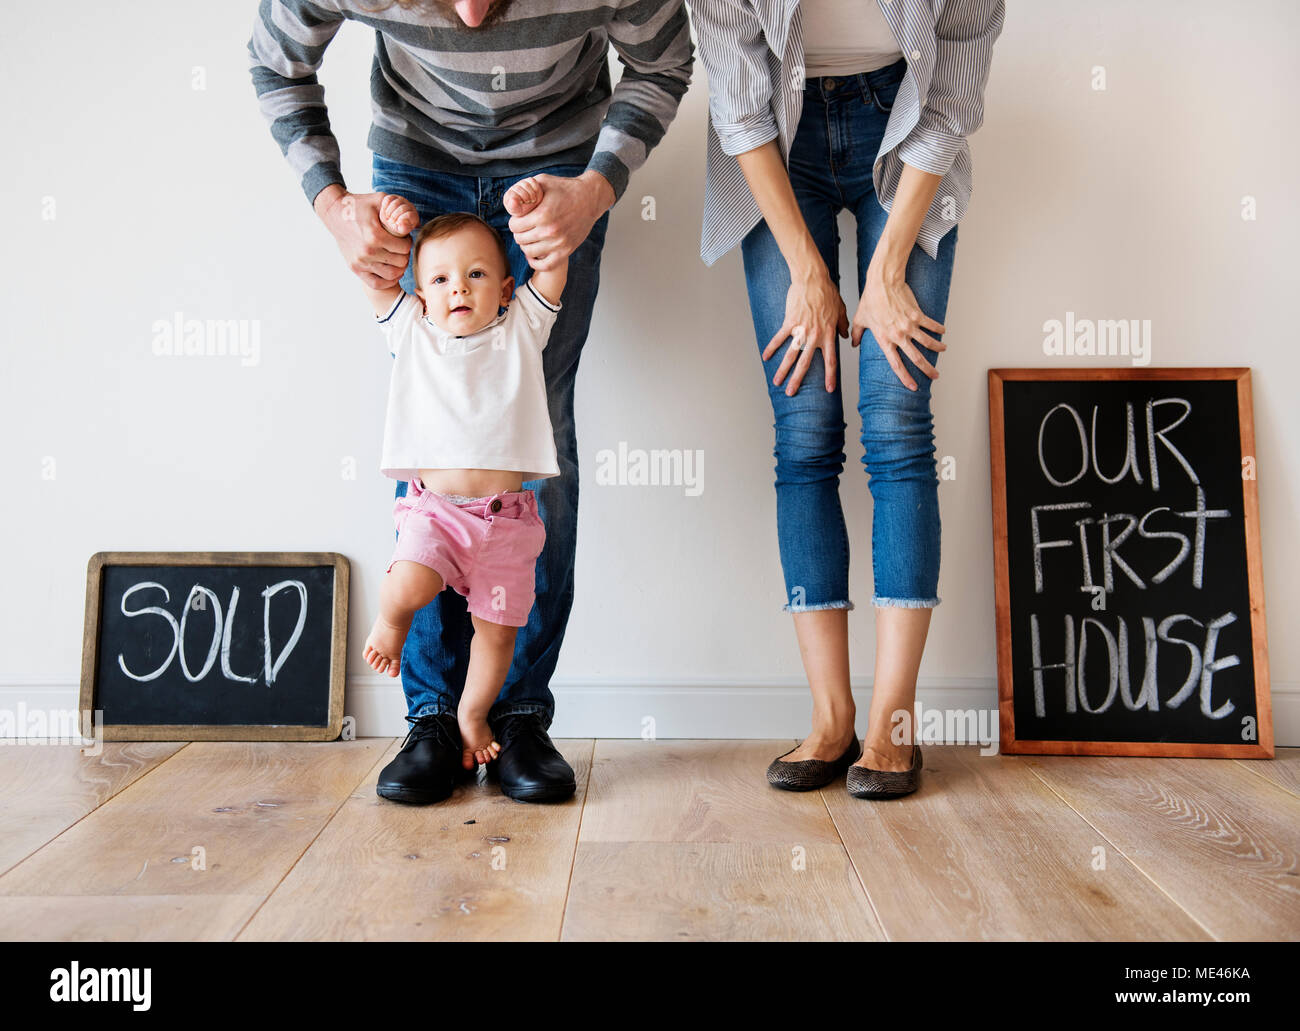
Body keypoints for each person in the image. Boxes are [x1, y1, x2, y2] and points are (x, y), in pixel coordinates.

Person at [248, 0, 694, 803]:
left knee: (542, 428)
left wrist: (595, 189)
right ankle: (431, 720)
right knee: (431, 432)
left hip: (558, 165)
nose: (473, 15)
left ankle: (515, 713)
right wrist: (333, 203)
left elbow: (664, 62)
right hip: (416, 165)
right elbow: (277, 62)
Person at [688, 0, 1004, 797]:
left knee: (898, 420)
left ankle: (894, 725)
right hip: (775, 149)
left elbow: (954, 98)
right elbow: (738, 105)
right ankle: (832, 718)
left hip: (903, 127)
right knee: (803, 427)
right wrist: (806, 270)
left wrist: (888, 267)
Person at [360, 182, 566, 778]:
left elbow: (551, 268)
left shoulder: (521, 329)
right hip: (435, 513)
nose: (459, 288)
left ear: (504, 291)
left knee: (496, 636)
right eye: (443, 279)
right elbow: (376, 279)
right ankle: (393, 626)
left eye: (477, 275)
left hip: (506, 526)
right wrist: (396, 229)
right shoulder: (413, 333)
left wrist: (533, 216)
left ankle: (474, 717)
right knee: (407, 583)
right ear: (420, 295)